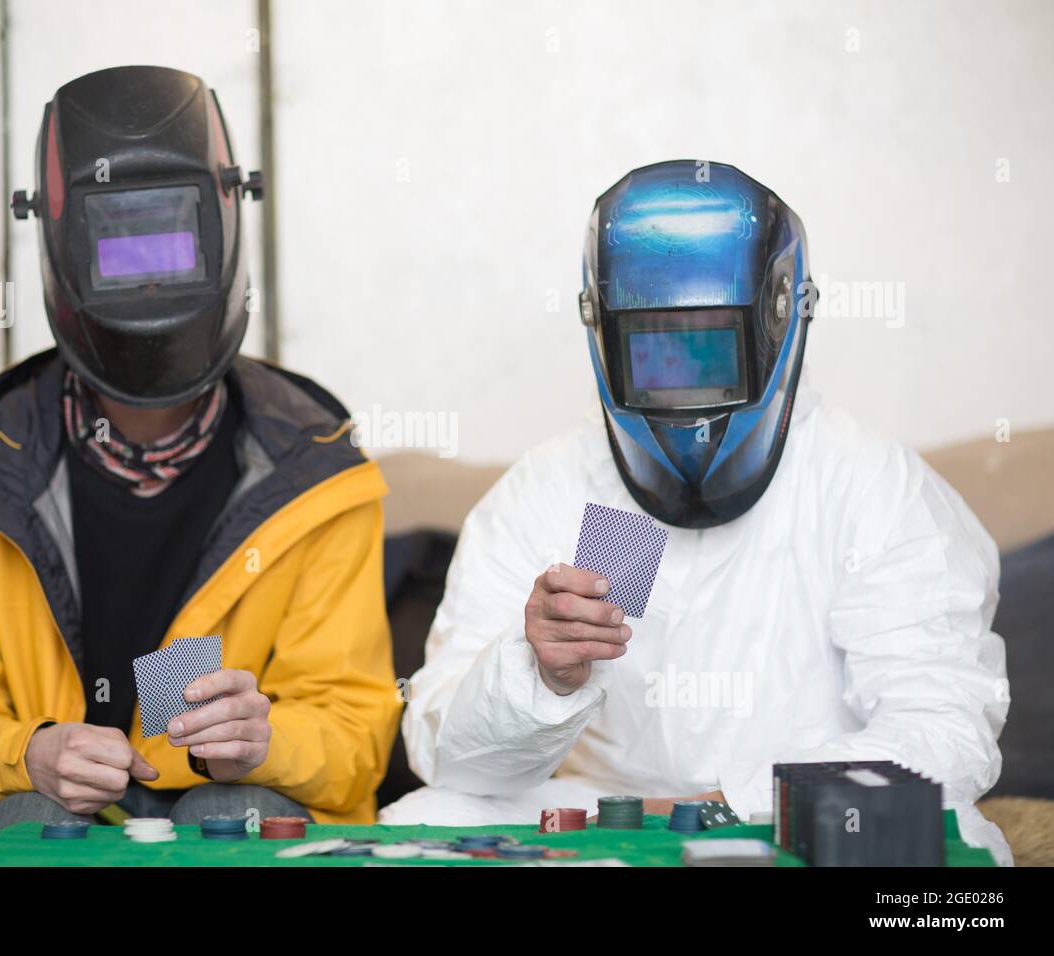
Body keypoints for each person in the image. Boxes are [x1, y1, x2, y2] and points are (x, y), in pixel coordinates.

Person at [380, 160, 1012, 865]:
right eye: (654, 349)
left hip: (801, 813)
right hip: (599, 820)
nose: (682, 381)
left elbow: (941, 730)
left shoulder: (868, 484)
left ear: (778, 316)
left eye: (708, 345)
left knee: (950, 825)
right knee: (427, 815)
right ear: (602, 328)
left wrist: (726, 806)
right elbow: (454, 763)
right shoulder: (562, 489)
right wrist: (539, 677)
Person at [0, 66, 399, 865]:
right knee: (30, 821)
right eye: (118, 240)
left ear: (228, 215)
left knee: (241, 808)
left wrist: (267, 741)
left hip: (217, 810)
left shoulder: (317, 473)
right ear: (55, 238)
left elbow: (356, 733)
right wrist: (26, 754)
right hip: (42, 817)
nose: (149, 274)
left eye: (166, 235)